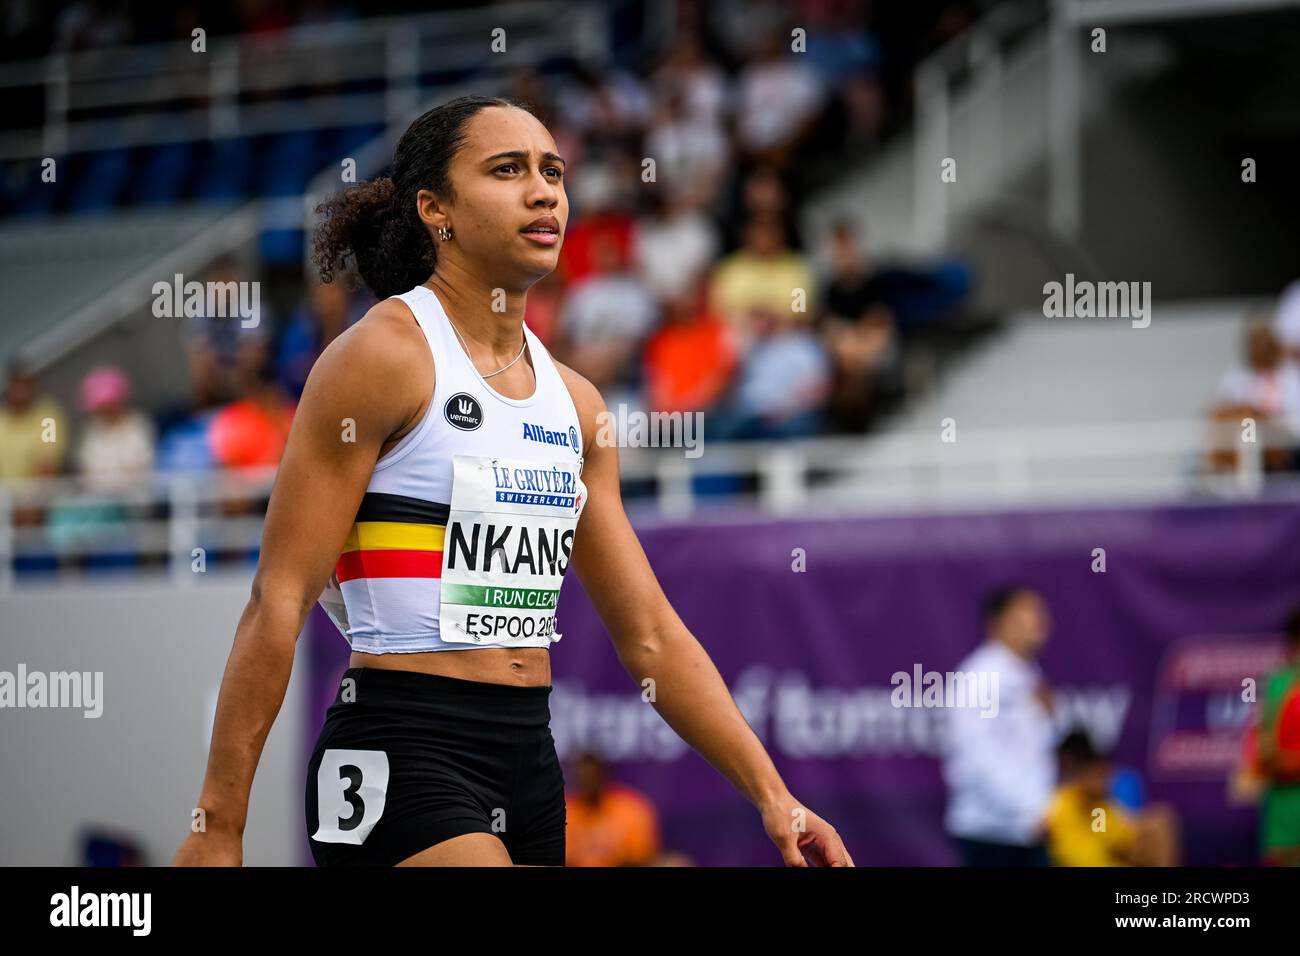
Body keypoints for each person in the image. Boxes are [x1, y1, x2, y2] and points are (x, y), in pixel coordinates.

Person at [173, 95, 852, 868]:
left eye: (553, 171)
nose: (544, 192)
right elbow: (278, 596)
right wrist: (218, 822)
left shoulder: (579, 405)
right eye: (507, 170)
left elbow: (652, 636)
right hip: (402, 747)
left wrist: (775, 796)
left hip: (528, 758)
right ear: (436, 209)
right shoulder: (383, 358)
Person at [941, 585, 1058, 866]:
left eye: (1041, 611)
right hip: (991, 833)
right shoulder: (981, 677)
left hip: (1029, 831)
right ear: (997, 622)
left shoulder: (1030, 675)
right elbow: (974, 758)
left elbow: (1035, 751)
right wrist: (1030, 810)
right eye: (1027, 611)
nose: (1039, 620)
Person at [1046, 729, 1179, 866]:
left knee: (1160, 821)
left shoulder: (1099, 808)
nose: (1103, 781)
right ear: (1082, 773)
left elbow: (1119, 838)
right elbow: (1084, 856)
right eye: (1096, 774)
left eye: (1103, 774)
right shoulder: (1064, 803)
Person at [565, 751, 663, 867]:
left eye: (592, 775)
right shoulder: (564, 811)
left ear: (603, 774)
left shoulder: (631, 808)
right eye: (583, 776)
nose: (587, 781)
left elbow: (644, 856)